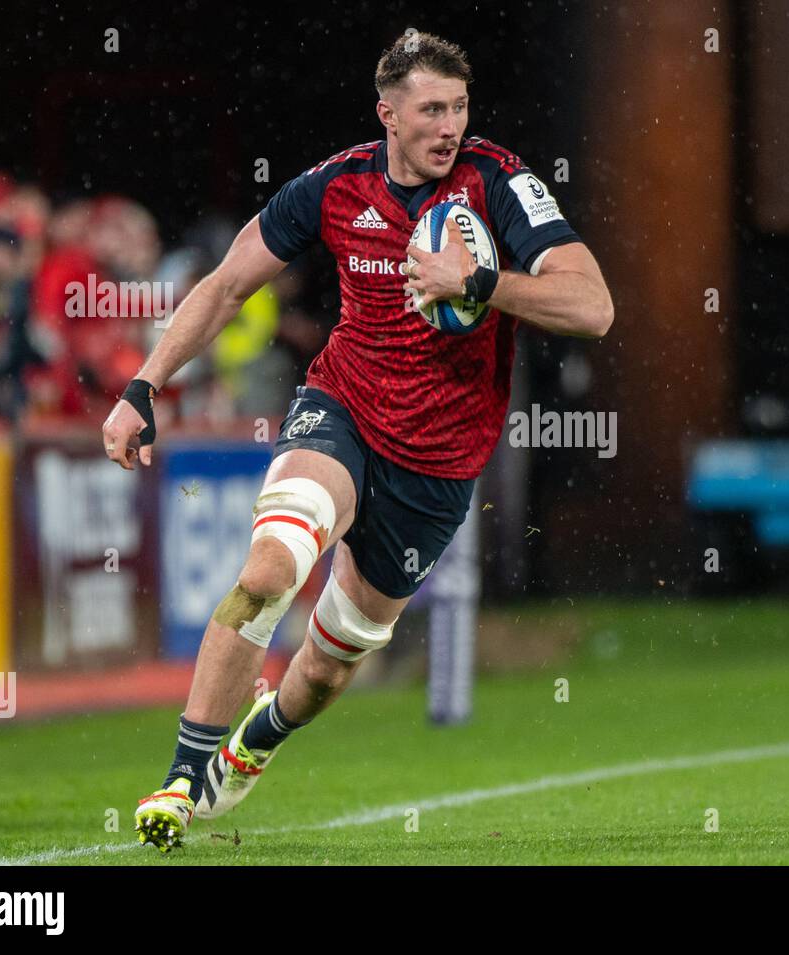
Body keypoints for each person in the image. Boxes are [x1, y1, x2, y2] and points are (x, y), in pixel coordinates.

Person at [102, 31, 614, 852]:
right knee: (271, 566)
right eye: (431, 109)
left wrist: (477, 283)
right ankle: (178, 777)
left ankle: (256, 742)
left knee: (329, 664)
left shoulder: (500, 182)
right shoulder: (335, 186)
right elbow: (229, 282)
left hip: (439, 464)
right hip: (344, 407)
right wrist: (141, 385)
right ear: (388, 113)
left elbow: (593, 307)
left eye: (459, 107)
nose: (449, 126)